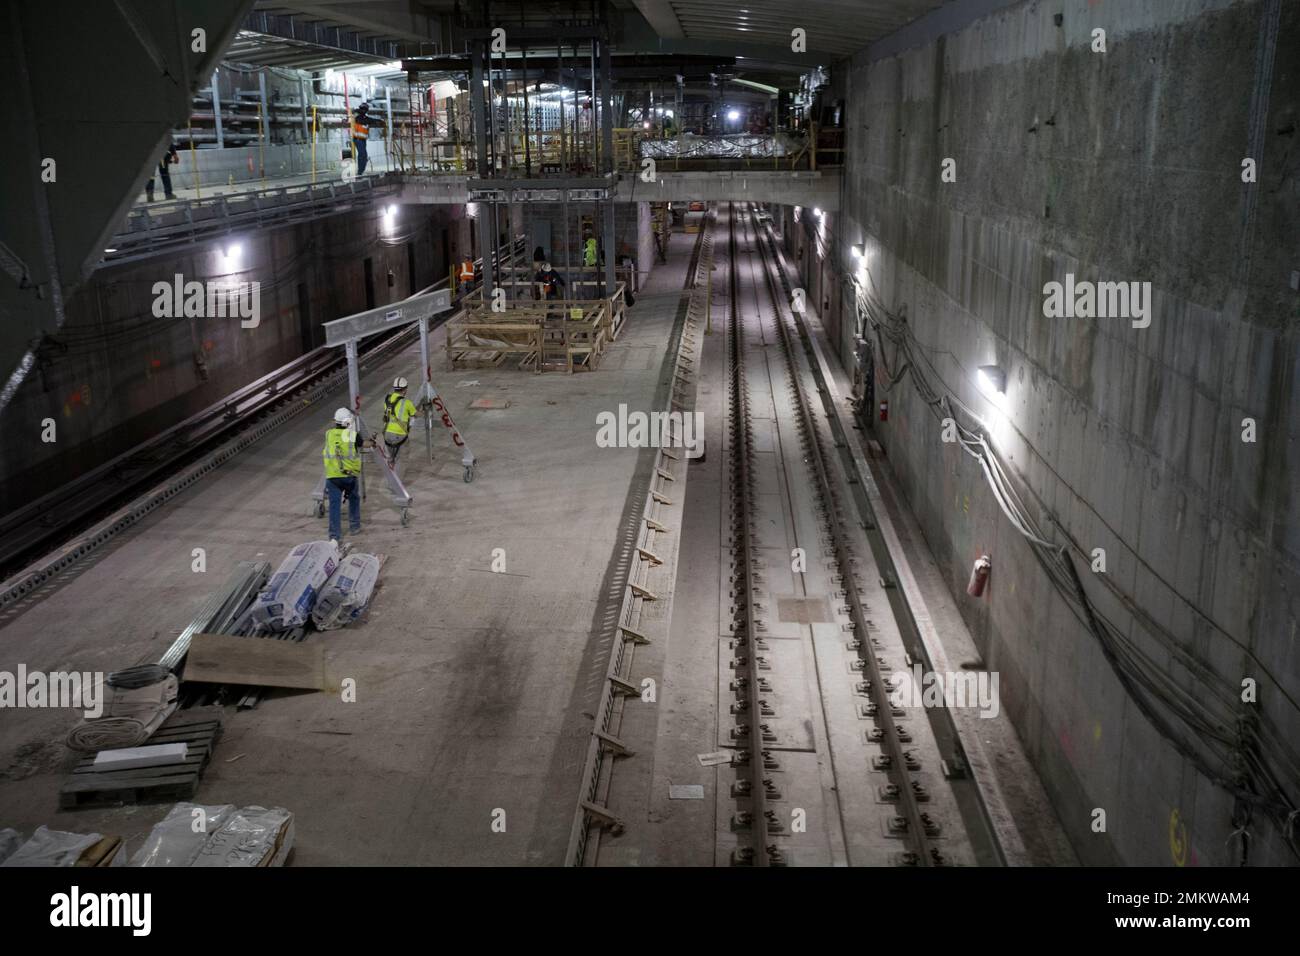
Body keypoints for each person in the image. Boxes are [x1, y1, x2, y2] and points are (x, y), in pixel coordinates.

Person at [323, 407, 363, 541]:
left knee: (334, 505)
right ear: (348, 422)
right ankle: (354, 526)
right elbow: (363, 444)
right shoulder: (352, 435)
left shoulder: (328, 434)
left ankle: (334, 535)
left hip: (332, 477)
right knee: (354, 499)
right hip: (349, 477)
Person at [382, 377, 420, 468]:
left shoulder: (387, 400)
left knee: (390, 458)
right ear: (405, 389)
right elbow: (416, 414)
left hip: (386, 434)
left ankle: (391, 469)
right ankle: (398, 480)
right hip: (400, 436)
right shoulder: (406, 402)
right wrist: (424, 411)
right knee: (402, 461)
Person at [352, 102, 384, 176]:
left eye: (366, 110)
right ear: (362, 109)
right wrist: (375, 121)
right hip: (358, 139)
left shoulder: (364, 117)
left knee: (364, 155)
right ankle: (360, 171)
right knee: (362, 155)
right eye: (364, 109)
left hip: (362, 140)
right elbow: (364, 121)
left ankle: (361, 171)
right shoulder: (357, 115)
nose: (365, 111)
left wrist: (379, 121)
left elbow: (369, 119)